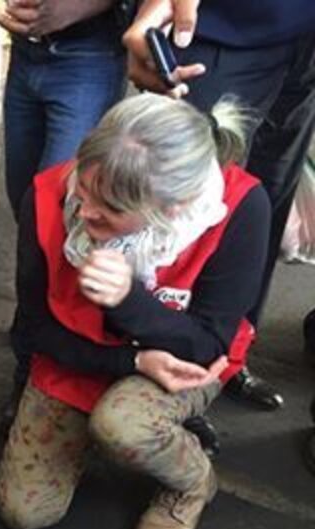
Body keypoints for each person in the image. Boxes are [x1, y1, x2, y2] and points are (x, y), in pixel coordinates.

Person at [0, 93, 269, 529]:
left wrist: (127, 301)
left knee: (123, 425)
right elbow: (35, 328)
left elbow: (208, 345)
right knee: (23, 513)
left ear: (173, 208)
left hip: (183, 362)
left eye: (110, 210)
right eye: (82, 193)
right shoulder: (46, 195)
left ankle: (191, 481)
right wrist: (133, 360)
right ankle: (87, 440)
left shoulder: (240, 206)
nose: (83, 216)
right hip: (86, 353)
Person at [123, 0, 315, 412]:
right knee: (182, 207)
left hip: (304, 35)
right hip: (221, 28)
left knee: (261, 205)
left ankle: (227, 357)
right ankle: (151, 385)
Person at [0, 0, 131, 436]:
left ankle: (38, 368)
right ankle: (38, 339)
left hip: (88, 55)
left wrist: (80, 8)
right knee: (29, 213)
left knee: (64, 221)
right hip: (25, 51)